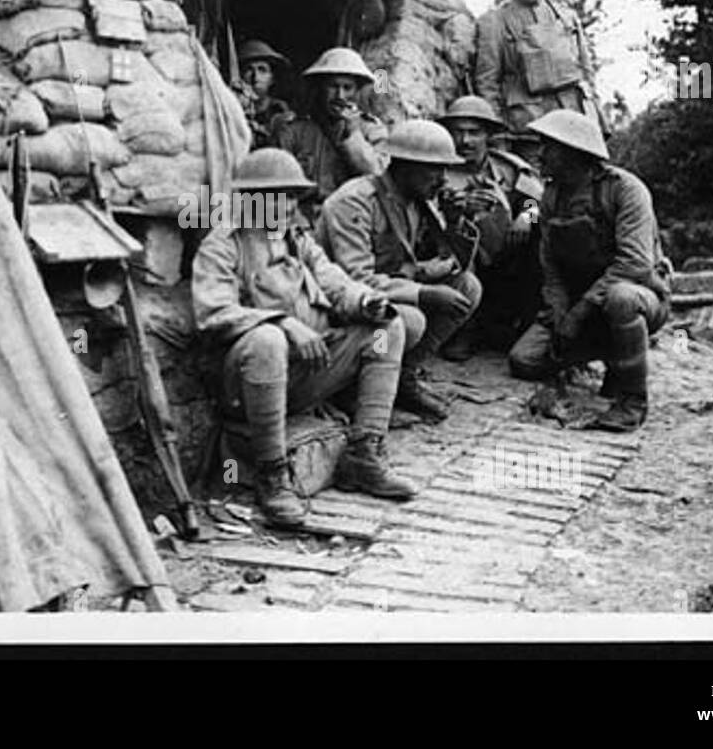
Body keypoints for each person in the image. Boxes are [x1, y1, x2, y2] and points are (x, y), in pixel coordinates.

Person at [191, 148, 417, 527]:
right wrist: (282, 322)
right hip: (246, 387)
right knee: (267, 341)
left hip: (305, 374)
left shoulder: (298, 240)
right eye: (275, 196)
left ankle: (364, 452)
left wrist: (365, 301)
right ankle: (272, 475)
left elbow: (333, 280)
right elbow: (212, 313)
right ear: (249, 198)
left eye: (292, 196)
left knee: (386, 329)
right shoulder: (224, 244)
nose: (286, 206)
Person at [508, 109, 672, 433]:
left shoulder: (626, 190)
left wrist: (580, 312)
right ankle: (615, 354)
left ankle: (631, 401)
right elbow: (550, 263)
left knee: (621, 299)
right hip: (578, 302)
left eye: (549, 147)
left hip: (637, 295)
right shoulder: (551, 195)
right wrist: (558, 313)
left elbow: (635, 263)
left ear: (573, 153)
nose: (541, 154)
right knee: (524, 360)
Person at [315, 120, 482, 422]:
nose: (443, 180)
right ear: (405, 165)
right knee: (409, 320)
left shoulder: (418, 201)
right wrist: (422, 293)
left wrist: (455, 223)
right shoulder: (355, 201)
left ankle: (403, 377)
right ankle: (355, 390)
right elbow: (355, 278)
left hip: (385, 293)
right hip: (342, 306)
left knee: (466, 287)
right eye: (435, 170)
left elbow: (445, 260)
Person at [436, 95, 546, 355]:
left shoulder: (508, 168)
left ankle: (530, 325)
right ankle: (465, 329)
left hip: (505, 257)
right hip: (454, 257)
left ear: (489, 136)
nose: (465, 141)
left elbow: (538, 201)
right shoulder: (436, 169)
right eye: (458, 133)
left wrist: (526, 218)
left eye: (474, 133)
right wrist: (458, 215)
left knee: (542, 238)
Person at [474, 0, 604, 164]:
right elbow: (487, 82)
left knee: (578, 186)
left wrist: (596, 119)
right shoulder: (494, 22)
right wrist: (497, 133)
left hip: (572, 123)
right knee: (532, 192)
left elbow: (586, 72)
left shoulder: (567, 18)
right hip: (528, 130)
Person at [270, 46, 389, 209]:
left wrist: (353, 135)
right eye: (333, 87)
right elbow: (275, 184)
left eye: (347, 88)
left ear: (356, 91)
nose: (340, 96)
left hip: (348, 218)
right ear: (320, 88)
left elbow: (379, 177)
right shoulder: (295, 130)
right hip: (300, 217)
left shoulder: (371, 130)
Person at [232, 39, 293, 149]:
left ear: (272, 79)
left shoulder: (280, 113)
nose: (255, 77)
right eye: (249, 69)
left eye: (262, 70)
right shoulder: (232, 109)